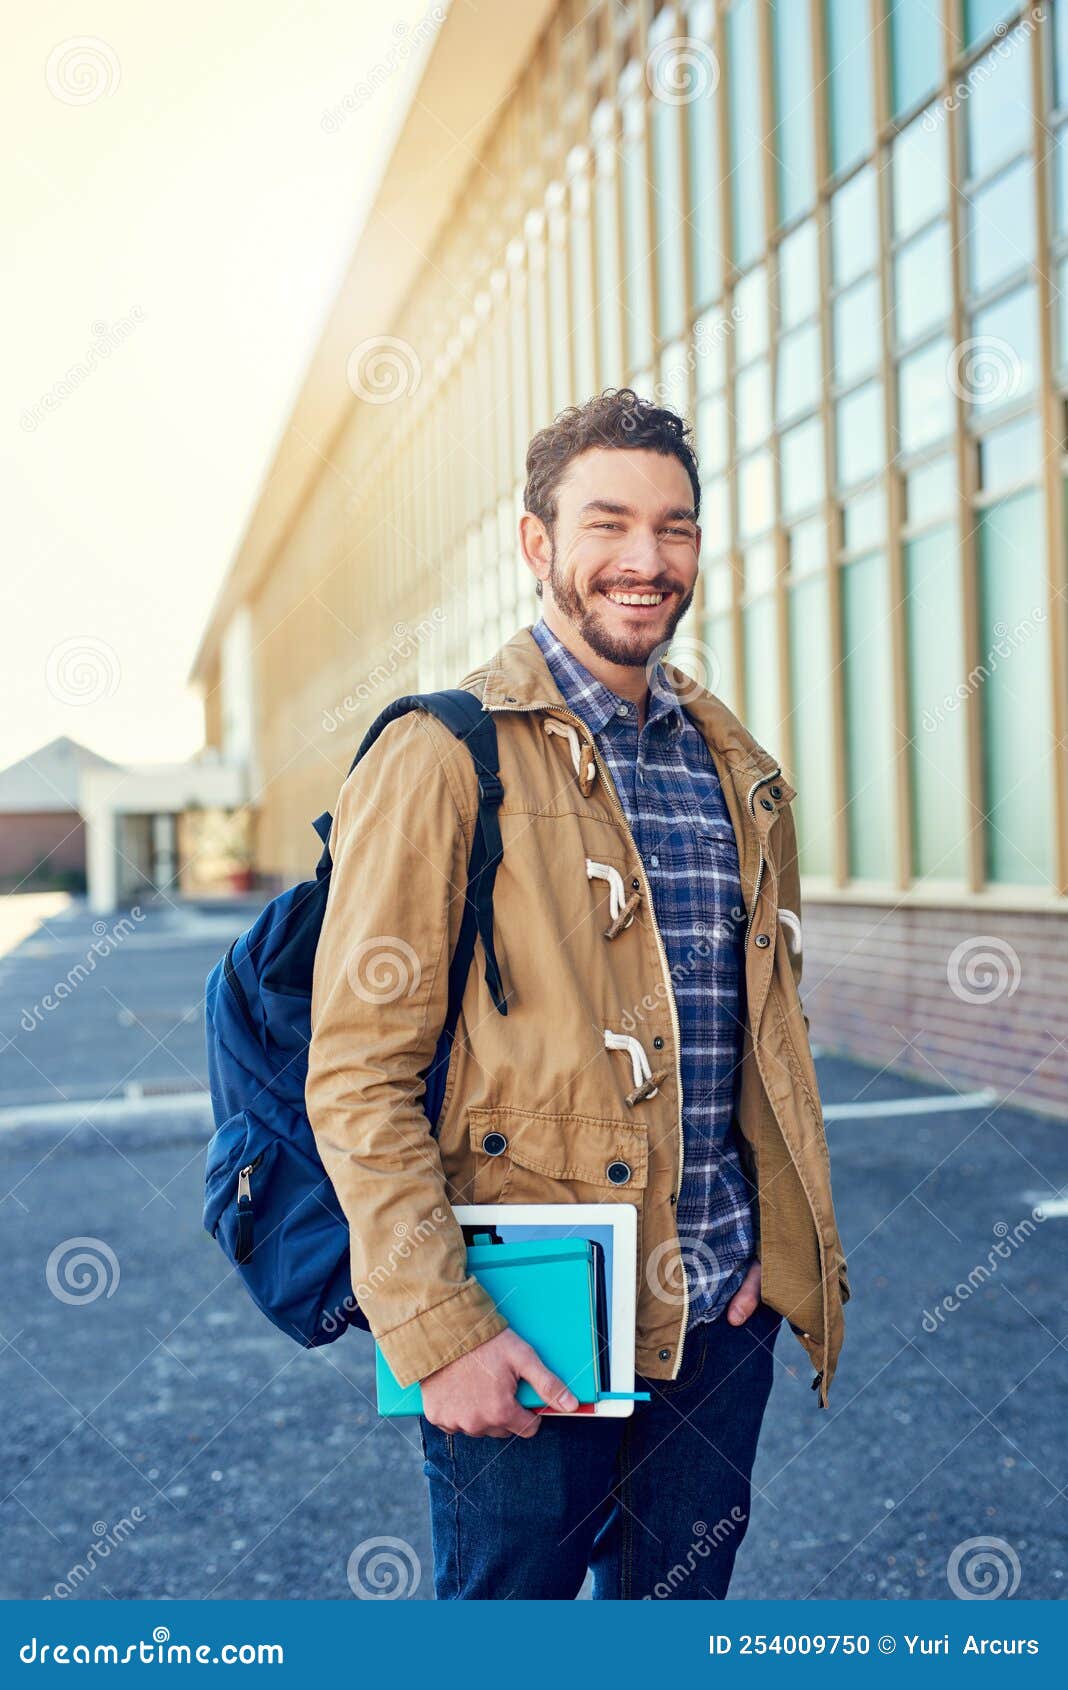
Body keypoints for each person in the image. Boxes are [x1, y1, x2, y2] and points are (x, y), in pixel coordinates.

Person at [306, 387, 850, 1600]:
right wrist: (438, 1326)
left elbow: (763, 1033)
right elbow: (356, 1071)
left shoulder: (735, 767)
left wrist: (768, 1256)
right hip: (528, 1322)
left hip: (716, 1317)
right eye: (608, 524)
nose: (646, 561)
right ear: (537, 541)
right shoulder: (446, 755)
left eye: (677, 528)